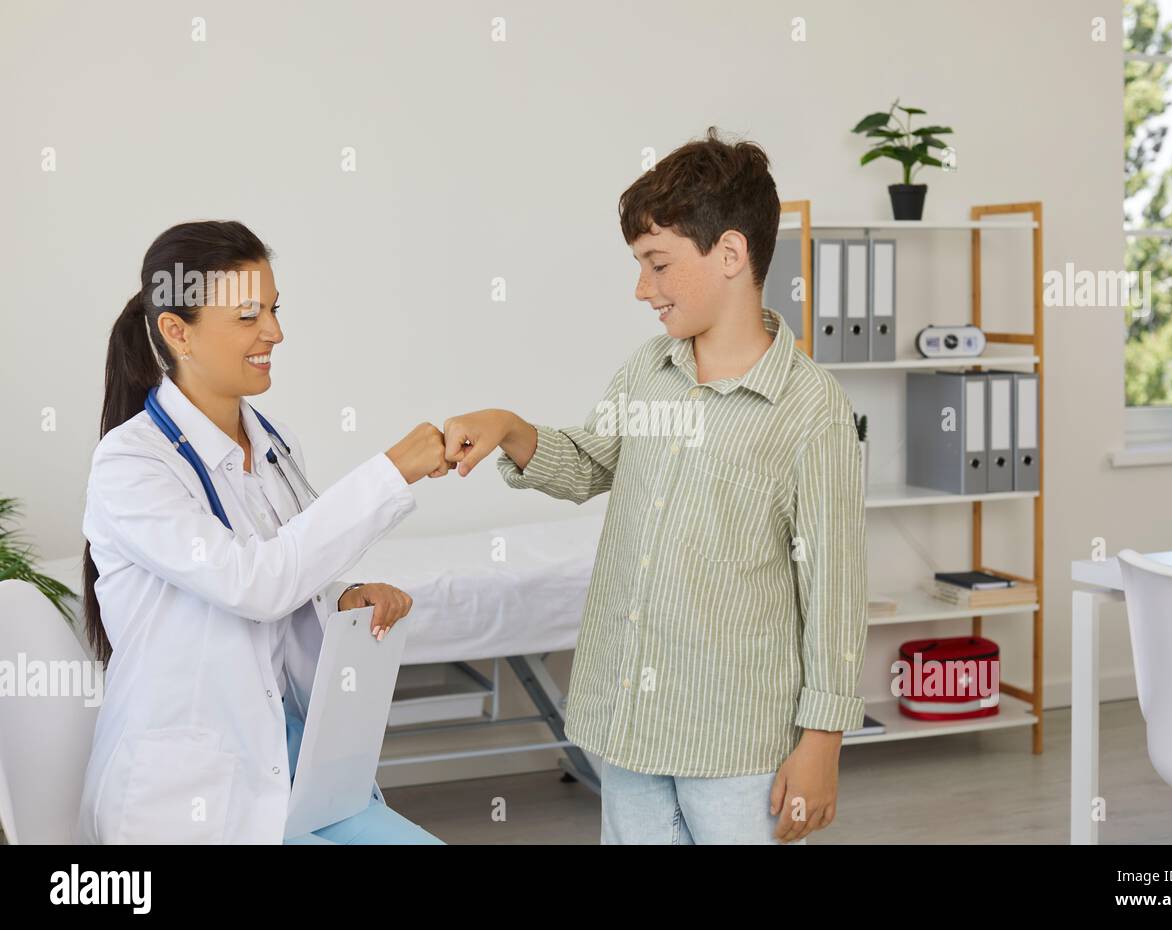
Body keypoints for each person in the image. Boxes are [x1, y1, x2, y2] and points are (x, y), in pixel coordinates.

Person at [441, 128, 869, 844]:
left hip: (736, 746)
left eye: (658, 264)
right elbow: (590, 462)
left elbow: (835, 586)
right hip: (630, 725)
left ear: (730, 254)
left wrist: (822, 740)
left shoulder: (811, 407)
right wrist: (514, 430)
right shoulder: (648, 369)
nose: (643, 289)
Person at [78, 221, 449, 844]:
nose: (274, 332)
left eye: (273, 310)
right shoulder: (132, 464)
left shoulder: (275, 447)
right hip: (192, 793)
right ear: (178, 332)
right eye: (249, 316)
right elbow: (254, 582)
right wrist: (390, 473)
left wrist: (343, 598)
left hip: (294, 757)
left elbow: (293, 581)